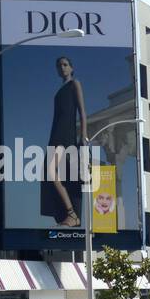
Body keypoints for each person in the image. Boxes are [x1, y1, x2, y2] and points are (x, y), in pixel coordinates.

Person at [43, 55, 87, 226]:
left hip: (65, 135)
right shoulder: (59, 90)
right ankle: (70, 214)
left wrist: (82, 136)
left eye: (65, 64)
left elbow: (82, 112)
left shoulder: (75, 84)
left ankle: (73, 214)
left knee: (54, 173)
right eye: (59, 65)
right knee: (54, 174)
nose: (62, 68)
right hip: (55, 135)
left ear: (71, 67)